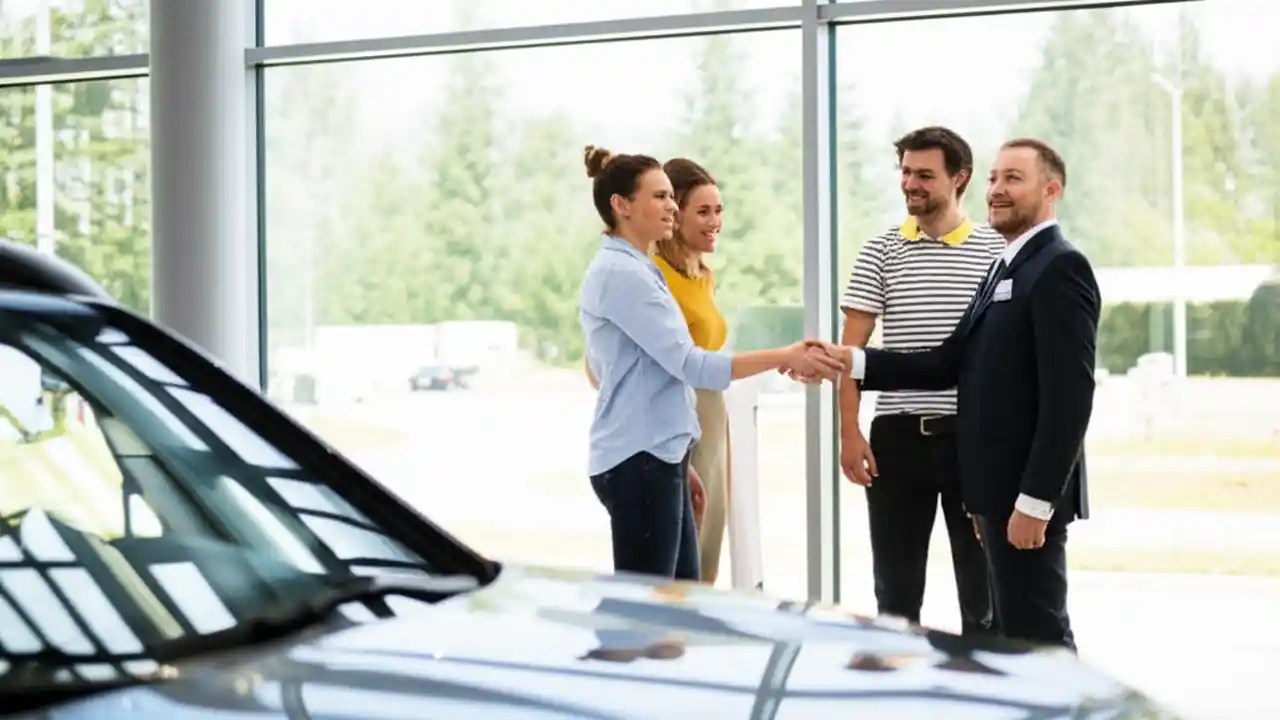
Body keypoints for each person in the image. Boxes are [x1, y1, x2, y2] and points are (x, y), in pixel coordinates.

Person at [827, 138, 1099, 649]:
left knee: (1034, 638)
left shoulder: (1059, 266)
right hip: (993, 492)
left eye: (1012, 179)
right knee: (1017, 635)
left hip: (1022, 495)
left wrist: (1036, 502)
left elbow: (1070, 400)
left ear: (1051, 190)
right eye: (996, 178)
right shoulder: (1006, 267)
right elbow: (947, 363)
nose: (997, 190)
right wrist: (851, 360)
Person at [578, 144, 842, 581]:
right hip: (640, 460)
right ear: (621, 206)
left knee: (682, 597)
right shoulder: (622, 276)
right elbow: (691, 366)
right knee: (654, 612)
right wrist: (785, 355)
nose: (671, 208)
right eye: (660, 197)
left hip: (659, 456)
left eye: (670, 196)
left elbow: (664, 375)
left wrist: (681, 461)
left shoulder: (638, 269)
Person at [838, 127, 999, 636]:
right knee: (896, 596)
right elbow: (852, 354)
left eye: (924, 175)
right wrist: (849, 432)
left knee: (984, 596)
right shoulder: (881, 251)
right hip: (898, 442)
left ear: (960, 178)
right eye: (906, 172)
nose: (911, 184)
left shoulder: (997, 250)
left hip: (972, 442)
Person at [652, 157, 732, 586]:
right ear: (675, 214)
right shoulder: (655, 275)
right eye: (703, 212)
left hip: (714, 414)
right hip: (681, 415)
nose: (715, 221)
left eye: (718, 210)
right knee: (685, 546)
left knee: (709, 543)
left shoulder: (704, 275)